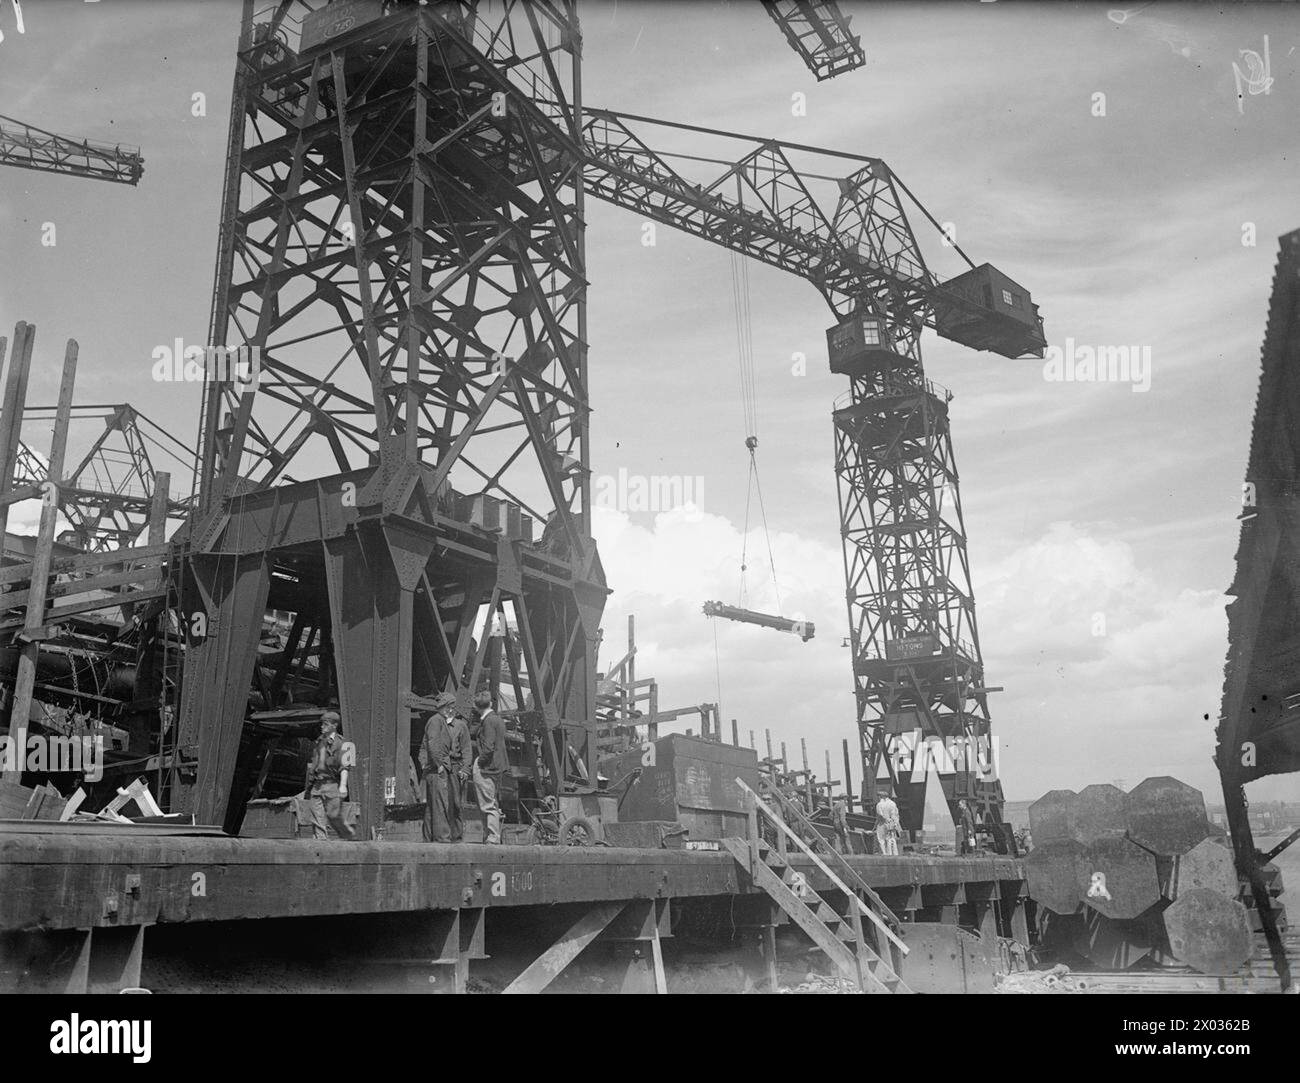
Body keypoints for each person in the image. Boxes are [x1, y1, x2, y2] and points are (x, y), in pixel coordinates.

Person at [419, 692, 469, 843]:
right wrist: (439, 765)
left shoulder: (439, 721)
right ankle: (442, 839)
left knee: (433, 806)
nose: (453, 709)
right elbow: (433, 745)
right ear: (446, 707)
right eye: (451, 706)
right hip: (438, 768)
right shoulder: (436, 721)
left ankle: (428, 838)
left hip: (440, 767)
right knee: (441, 804)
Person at [303, 711, 356, 841]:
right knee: (317, 817)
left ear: (334, 725)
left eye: (325, 724)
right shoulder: (319, 742)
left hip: (332, 784)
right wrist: (309, 786)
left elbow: (345, 767)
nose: (322, 726)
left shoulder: (344, 744)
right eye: (322, 724)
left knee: (333, 816)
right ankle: (321, 844)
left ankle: (349, 836)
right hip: (317, 784)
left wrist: (343, 786)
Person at [469, 690, 507, 845]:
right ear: (490, 704)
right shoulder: (497, 719)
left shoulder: (488, 722)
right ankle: (492, 835)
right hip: (497, 766)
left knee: (487, 804)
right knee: (492, 801)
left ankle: (492, 837)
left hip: (487, 767)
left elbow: (488, 747)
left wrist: (479, 762)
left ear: (477, 708)